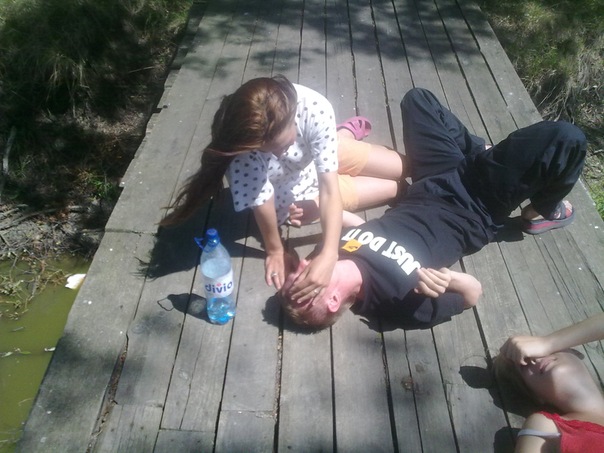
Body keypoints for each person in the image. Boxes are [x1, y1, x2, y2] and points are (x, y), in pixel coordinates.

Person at [280, 87, 587, 328]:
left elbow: (360, 228)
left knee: (418, 100)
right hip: (477, 203)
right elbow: (473, 294)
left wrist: (322, 211)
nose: (303, 265)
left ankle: (479, 153)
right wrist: (450, 280)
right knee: (567, 138)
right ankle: (543, 209)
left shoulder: (331, 252)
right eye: (303, 278)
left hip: (431, 180)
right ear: (333, 300)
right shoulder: (394, 302)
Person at [159, 75, 405, 300]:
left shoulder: (314, 108)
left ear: (294, 116)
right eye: (269, 151)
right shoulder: (241, 151)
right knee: (395, 188)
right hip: (292, 192)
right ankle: (343, 137)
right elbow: (262, 200)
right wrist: (275, 250)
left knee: (406, 168)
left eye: (283, 145)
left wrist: (330, 255)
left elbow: (330, 188)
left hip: (322, 152)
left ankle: (343, 134)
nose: (279, 154)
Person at [495, 313, 604, 452]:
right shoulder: (546, 429)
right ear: (536, 396)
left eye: (534, 348)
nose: (535, 358)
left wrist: (547, 343)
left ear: (576, 353)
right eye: (524, 363)